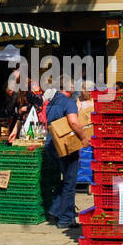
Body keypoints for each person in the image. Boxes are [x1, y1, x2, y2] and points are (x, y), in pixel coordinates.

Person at [44, 77, 90, 229]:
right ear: (69, 88)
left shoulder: (52, 102)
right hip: (66, 147)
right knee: (70, 182)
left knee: (65, 180)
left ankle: (55, 210)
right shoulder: (68, 102)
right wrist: (83, 137)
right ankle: (66, 219)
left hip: (51, 145)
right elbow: (73, 122)